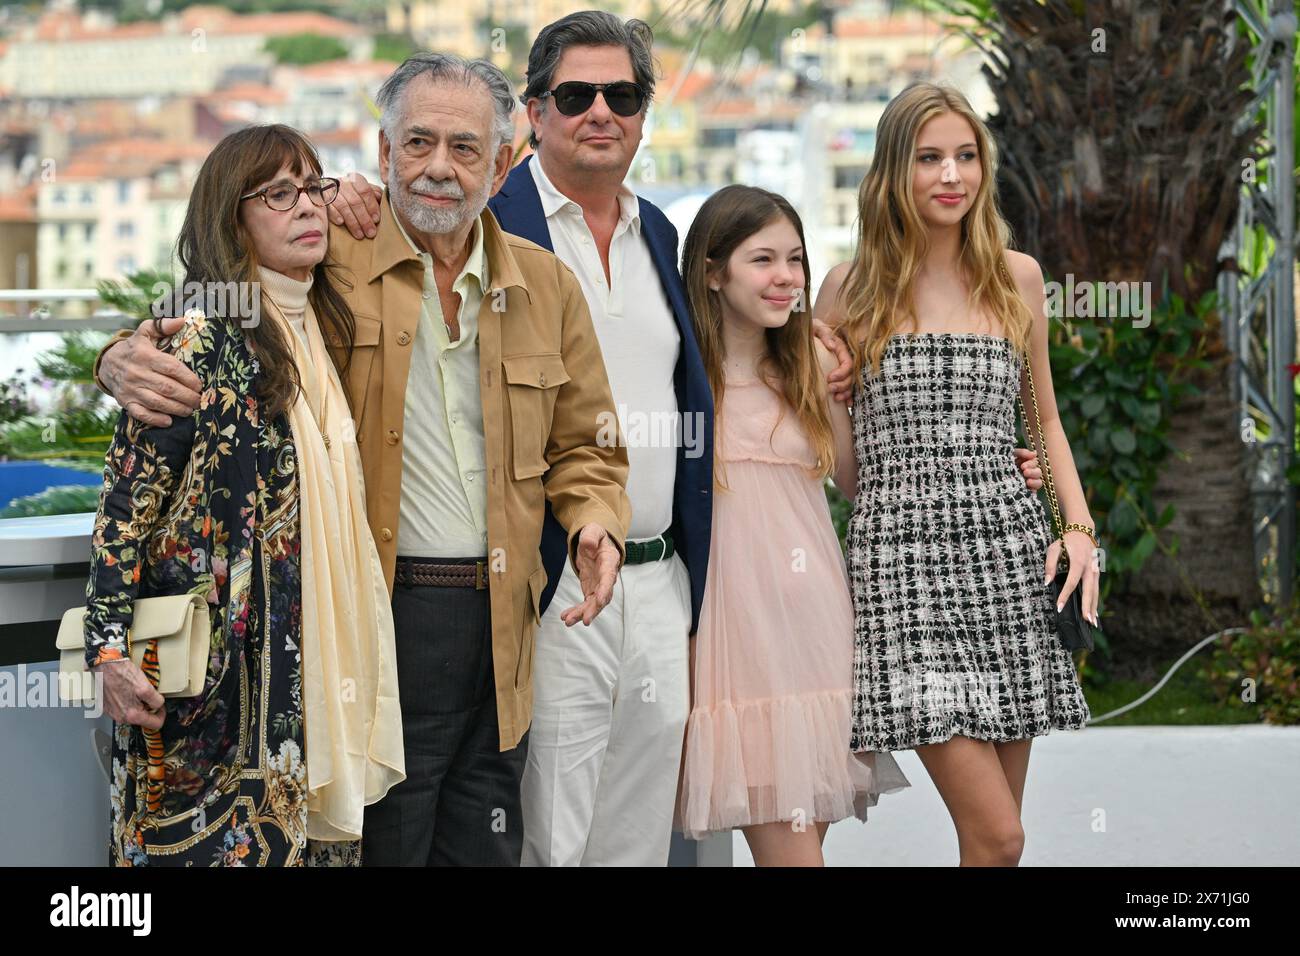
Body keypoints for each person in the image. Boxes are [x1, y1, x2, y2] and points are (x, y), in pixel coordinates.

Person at [93, 54, 632, 866]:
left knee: (482, 843)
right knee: (384, 845)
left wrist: (594, 520)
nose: (438, 168)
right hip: (377, 617)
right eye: (416, 142)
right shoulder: (330, 254)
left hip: (504, 628)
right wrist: (118, 357)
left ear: (503, 163)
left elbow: (587, 443)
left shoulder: (548, 289)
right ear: (382, 156)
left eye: (462, 146)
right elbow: (208, 300)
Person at [85, 124, 404, 866]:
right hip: (214, 697)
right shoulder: (200, 335)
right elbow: (122, 513)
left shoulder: (319, 322)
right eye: (279, 194)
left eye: (315, 187)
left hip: (302, 686)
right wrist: (105, 653)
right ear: (233, 217)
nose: (308, 208)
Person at [814, 82, 1097, 866]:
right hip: (902, 571)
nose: (951, 175)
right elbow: (849, 477)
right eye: (929, 157)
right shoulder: (848, 289)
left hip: (1007, 557)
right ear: (891, 174)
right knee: (1000, 834)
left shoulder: (1018, 277)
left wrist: (1076, 530)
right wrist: (830, 392)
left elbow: (1043, 420)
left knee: (994, 845)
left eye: (966, 156)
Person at [674, 184, 911, 865]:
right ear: (713, 272)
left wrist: (993, 461)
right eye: (762, 260)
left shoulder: (815, 363)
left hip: (819, 640)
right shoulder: (684, 380)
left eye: (795, 259)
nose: (785, 278)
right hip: (736, 647)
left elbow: (861, 478)